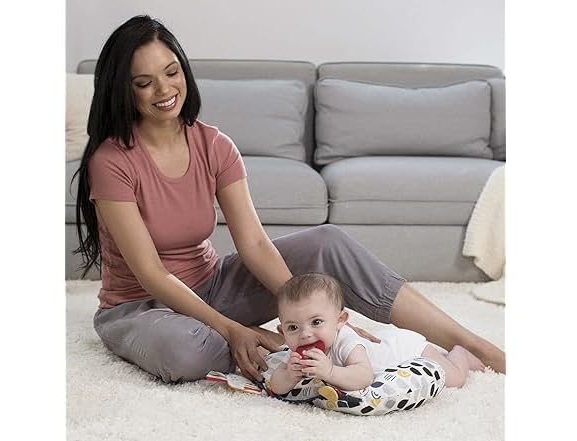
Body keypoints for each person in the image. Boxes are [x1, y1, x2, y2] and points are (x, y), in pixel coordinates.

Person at [72, 15, 506, 384]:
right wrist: (234, 329)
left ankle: (468, 342)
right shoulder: (111, 160)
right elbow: (150, 273)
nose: (164, 89)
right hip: (144, 308)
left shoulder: (213, 144)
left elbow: (255, 245)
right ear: (123, 90)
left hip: (214, 285)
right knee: (185, 352)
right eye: (143, 83)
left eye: (172, 71)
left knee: (327, 242)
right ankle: (262, 343)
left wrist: (297, 311)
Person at [267, 273, 485, 395]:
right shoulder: (298, 353)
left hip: (405, 350)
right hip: (388, 344)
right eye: (293, 327)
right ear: (282, 332)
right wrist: (289, 375)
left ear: (340, 321)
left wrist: (330, 371)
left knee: (454, 379)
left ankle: (461, 354)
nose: (305, 334)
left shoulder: (347, 342)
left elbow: (364, 376)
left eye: (316, 322)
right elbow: (275, 387)